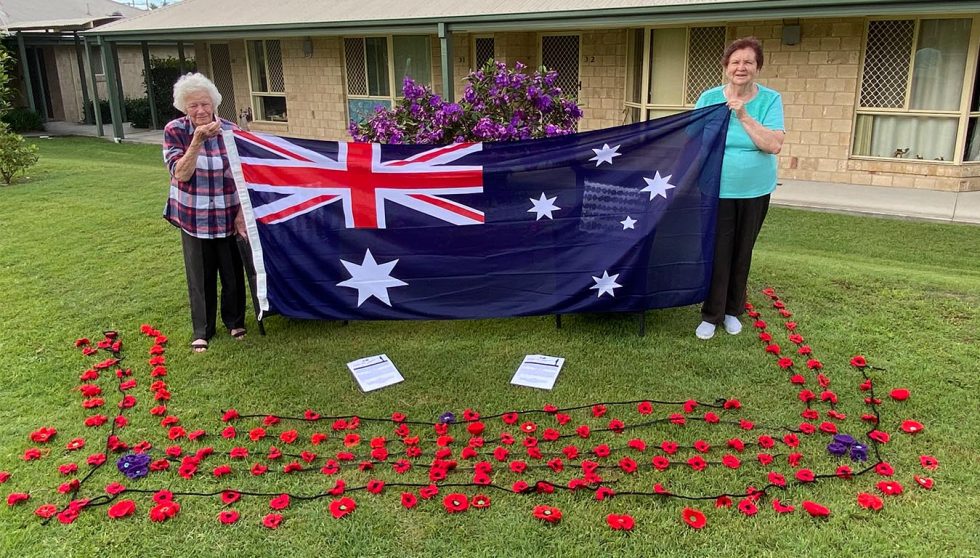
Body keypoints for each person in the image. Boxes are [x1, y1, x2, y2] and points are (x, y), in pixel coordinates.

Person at [693, 37, 785, 340]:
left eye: (748, 62)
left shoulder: (770, 100)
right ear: (726, 67)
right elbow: (693, 138)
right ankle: (711, 313)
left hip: (755, 190)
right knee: (717, 252)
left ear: (757, 67)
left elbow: (772, 144)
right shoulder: (709, 98)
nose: (741, 67)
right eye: (735, 62)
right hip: (716, 189)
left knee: (742, 250)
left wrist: (743, 115)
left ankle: (733, 311)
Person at [163, 73, 248, 352]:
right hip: (193, 216)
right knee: (200, 275)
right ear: (183, 108)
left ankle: (235, 321)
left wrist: (241, 213)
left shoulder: (231, 130)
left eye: (204, 104)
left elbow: (241, 176)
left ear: (214, 104)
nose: (200, 110)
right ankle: (203, 329)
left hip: (227, 212)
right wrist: (197, 140)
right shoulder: (175, 131)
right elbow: (181, 173)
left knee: (232, 272)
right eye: (193, 106)